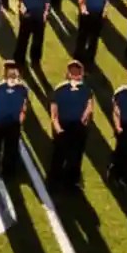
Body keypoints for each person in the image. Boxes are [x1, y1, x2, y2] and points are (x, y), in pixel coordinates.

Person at [49, 61, 93, 191]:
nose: (75, 75)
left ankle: (72, 181)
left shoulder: (86, 90)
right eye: (72, 72)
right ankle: (53, 180)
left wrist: (83, 122)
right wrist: (58, 128)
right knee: (59, 154)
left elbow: (89, 107)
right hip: (63, 125)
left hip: (78, 126)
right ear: (67, 74)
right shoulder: (60, 89)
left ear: (82, 74)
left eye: (77, 72)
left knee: (76, 155)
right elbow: (54, 111)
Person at [0, 62, 29, 185]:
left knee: (11, 150)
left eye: (14, 71)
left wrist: (22, 117)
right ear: (4, 72)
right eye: (9, 71)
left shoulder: (22, 89)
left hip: (13, 123)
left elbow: (24, 104)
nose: (12, 74)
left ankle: (8, 173)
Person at [73, 0, 110, 66]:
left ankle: (90, 60)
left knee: (94, 39)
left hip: (98, 16)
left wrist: (105, 12)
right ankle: (78, 58)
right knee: (82, 36)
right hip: (86, 15)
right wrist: (83, 9)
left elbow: (106, 2)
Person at [14, 0, 49, 67]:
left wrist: (45, 15)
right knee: (23, 40)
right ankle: (19, 59)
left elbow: (46, 5)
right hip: (27, 20)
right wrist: (24, 15)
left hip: (39, 20)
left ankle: (35, 59)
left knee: (38, 41)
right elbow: (21, 6)